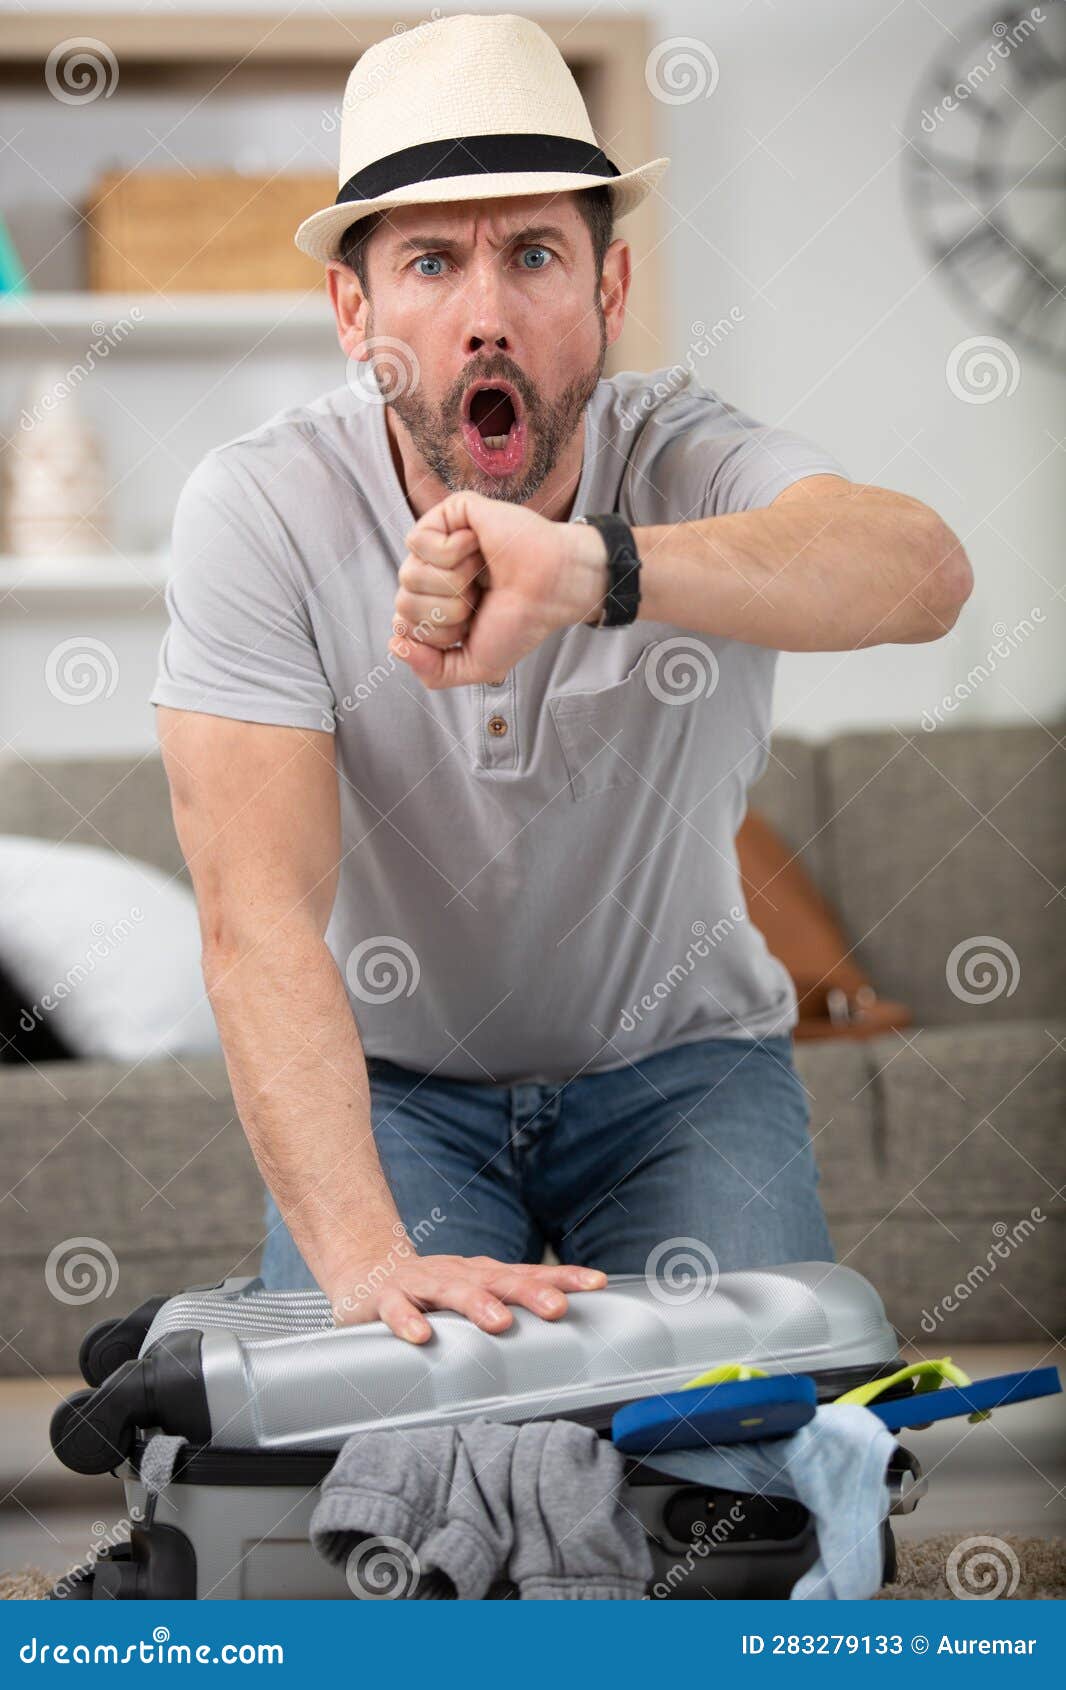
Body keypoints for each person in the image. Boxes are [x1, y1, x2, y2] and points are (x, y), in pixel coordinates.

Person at [151, 15, 972, 1344]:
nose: (486, 317)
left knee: (737, 1436)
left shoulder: (691, 461)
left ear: (610, 288)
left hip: (683, 1075)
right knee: (399, 1435)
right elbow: (258, 923)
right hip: (399, 1091)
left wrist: (596, 566)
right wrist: (368, 1262)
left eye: (534, 255)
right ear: (354, 311)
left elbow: (921, 572)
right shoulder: (258, 511)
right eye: (430, 263)